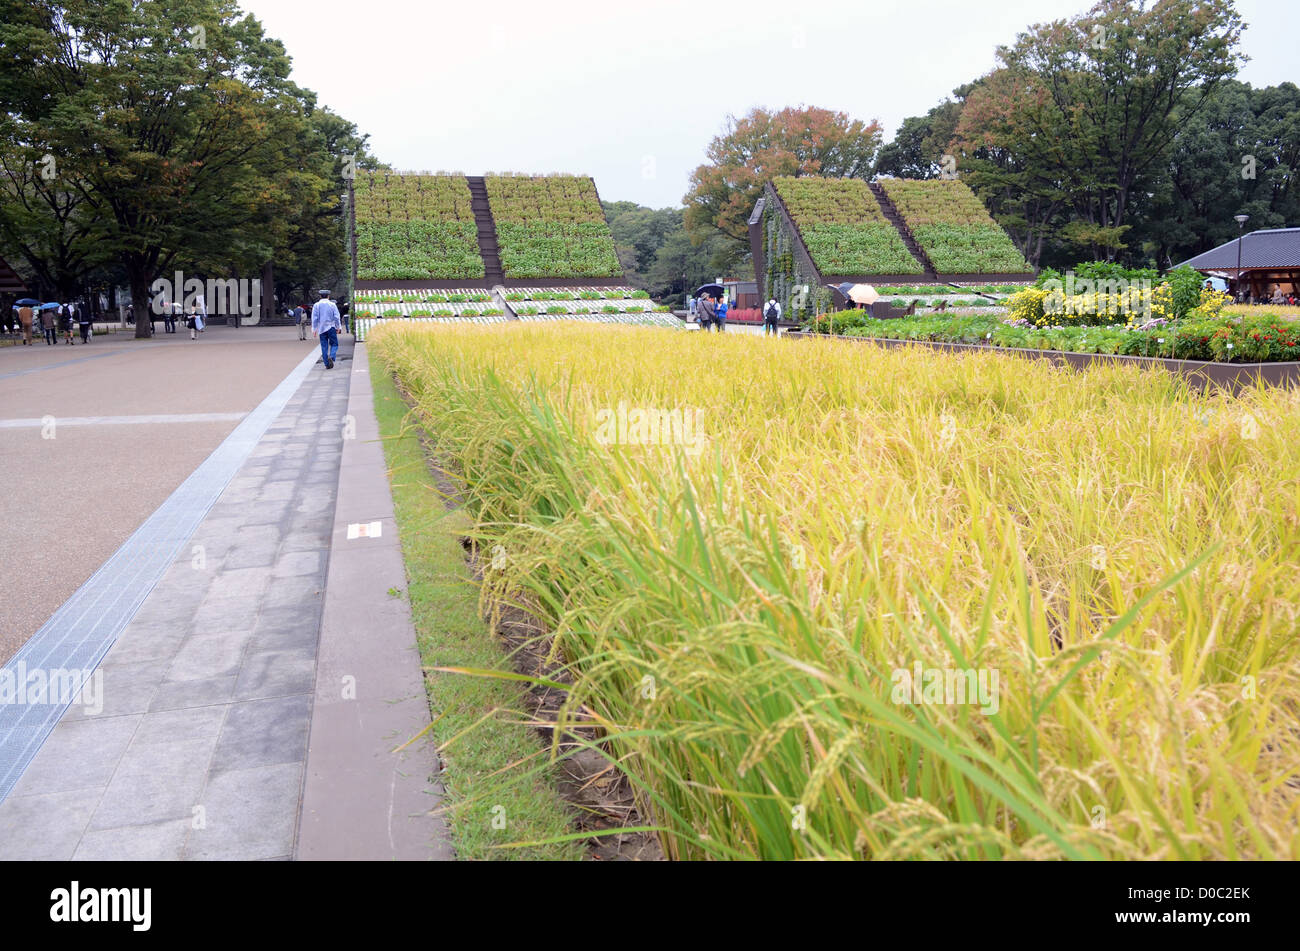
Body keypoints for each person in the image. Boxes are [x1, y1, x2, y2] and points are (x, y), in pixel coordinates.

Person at [311, 289, 341, 369]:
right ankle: (332, 356)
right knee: (334, 344)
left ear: (320, 296)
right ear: (328, 296)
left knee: (324, 346)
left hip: (321, 328)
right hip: (331, 327)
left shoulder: (316, 305)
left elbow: (314, 318)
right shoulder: (332, 304)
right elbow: (337, 317)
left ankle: (327, 364)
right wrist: (338, 327)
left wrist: (314, 329)